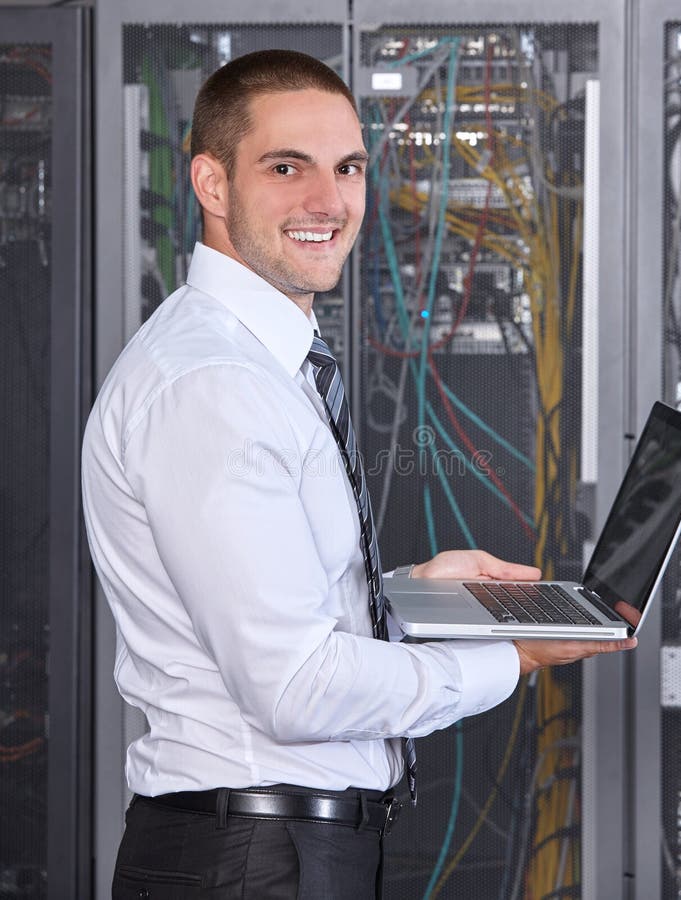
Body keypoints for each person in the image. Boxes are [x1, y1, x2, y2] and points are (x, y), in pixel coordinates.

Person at [81, 49, 637, 899]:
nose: (327, 202)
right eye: (284, 167)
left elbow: (264, 607)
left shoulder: (250, 363)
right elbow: (295, 688)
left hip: (273, 847)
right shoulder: (214, 387)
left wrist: (407, 591)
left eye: (346, 168)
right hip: (252, 860)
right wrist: (511, 653)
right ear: (211, 183)